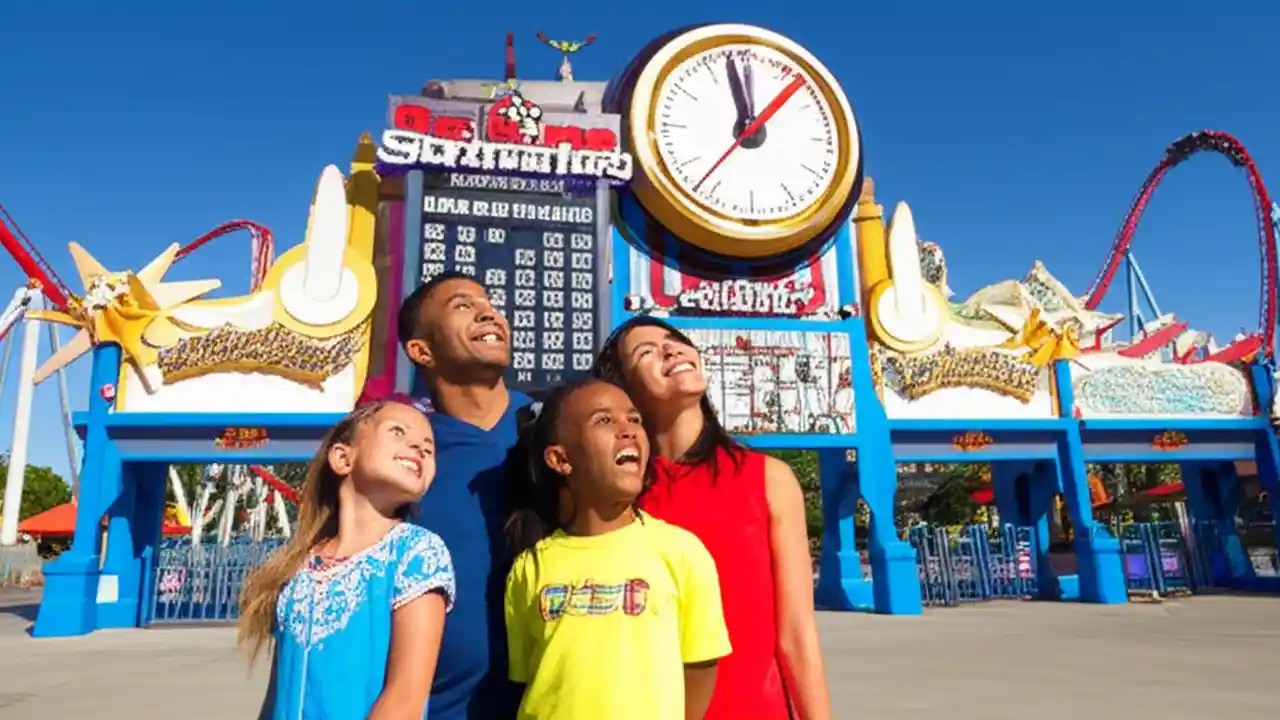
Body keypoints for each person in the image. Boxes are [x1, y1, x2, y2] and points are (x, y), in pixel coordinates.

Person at [593, 316, 833, 720]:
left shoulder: (769, 479)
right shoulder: (615, 495)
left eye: (673, 341)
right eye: (646, 352)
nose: (669, 349)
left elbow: (797, 634)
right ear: (626, 393)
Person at [503, 379, 732, 719]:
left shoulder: (681, 551)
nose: (628, 431)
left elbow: (700, 666)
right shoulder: (529, 566)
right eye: (604, 420)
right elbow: (528, 678)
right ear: (560, 459)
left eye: (635, 419)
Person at [239, 399, 455, 720]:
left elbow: (405, 699)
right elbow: (275, 696)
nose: (419, 448)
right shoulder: (296, 568)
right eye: (398, 432)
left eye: (429, 447)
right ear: (343, 457)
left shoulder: (416, 553)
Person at [398, 271, 533, 719]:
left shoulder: (557, 428)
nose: (488, 311)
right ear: (422, 350)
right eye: (461, 305)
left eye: (489, 302)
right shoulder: (402, 456)